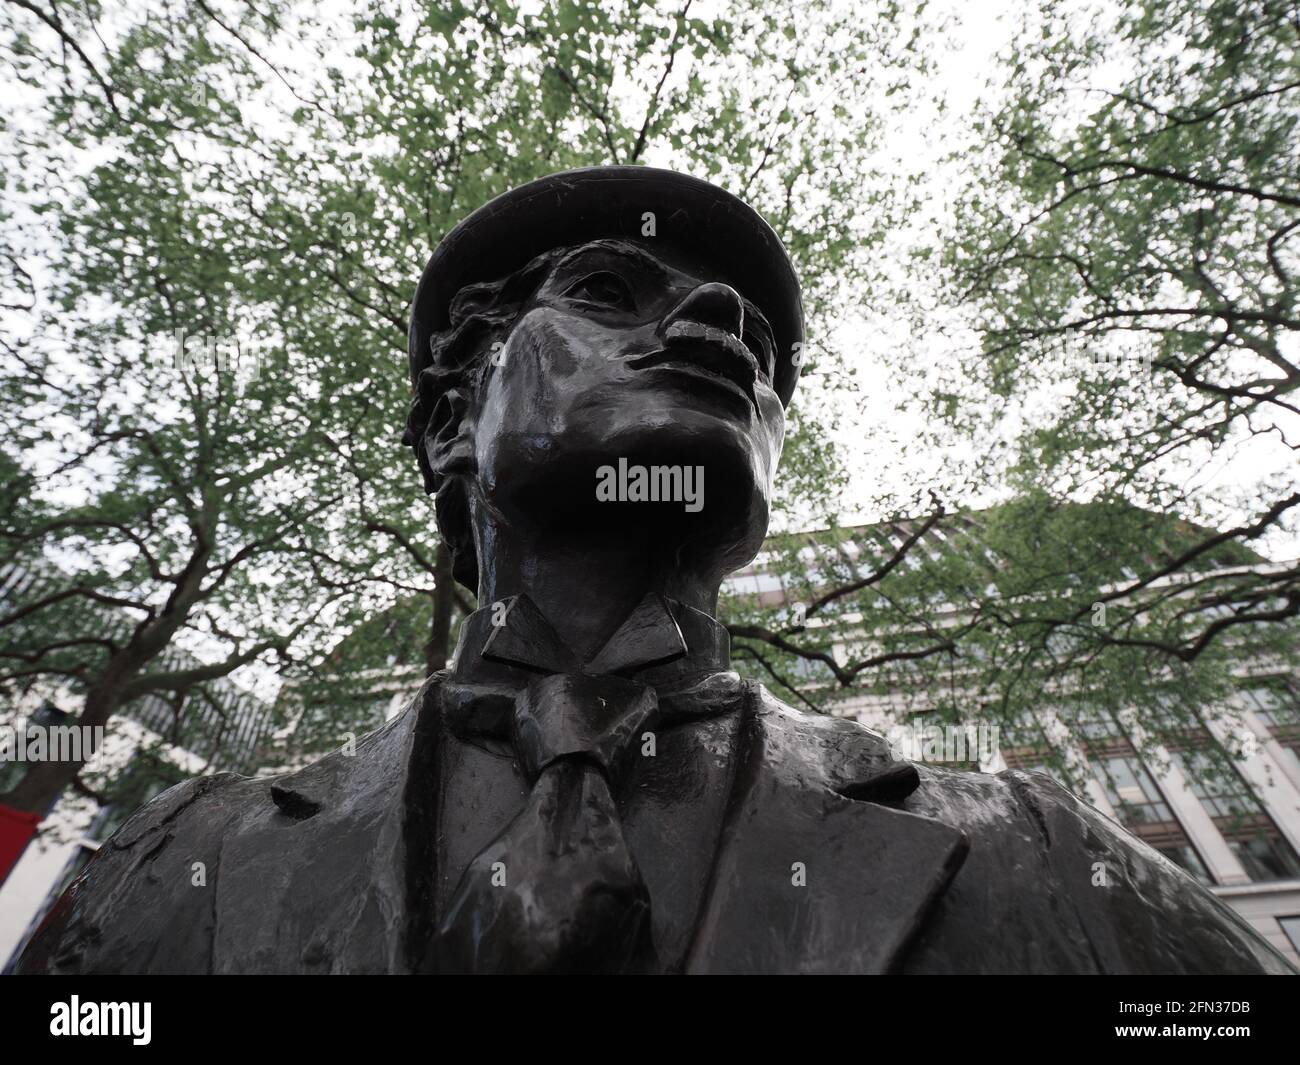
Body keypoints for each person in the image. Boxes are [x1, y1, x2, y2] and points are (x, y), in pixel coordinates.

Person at [19, 167, 1295, 974]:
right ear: (451, 421)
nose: (721, 324)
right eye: (604, 289)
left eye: (758, 341)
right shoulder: (184, 855)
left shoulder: (1046, 856)